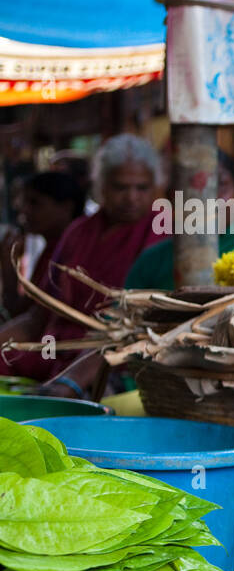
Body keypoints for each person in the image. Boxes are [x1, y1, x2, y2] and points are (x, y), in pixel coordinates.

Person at [0, 134, 165, 391]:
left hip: (111, 362)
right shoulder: (79, 231)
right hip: (53, 351)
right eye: (120, 187)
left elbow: (134, 328)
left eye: (141, 188)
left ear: (155, 188)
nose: (131, 197)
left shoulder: (162, 233)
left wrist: (68, 382)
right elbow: (39, 314)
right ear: (101, 187)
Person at [125, 149, 234, 290]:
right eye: (190, 189)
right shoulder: (151, 261)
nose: (207, 199)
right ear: (171, 197)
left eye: (221, 185)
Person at [0, 171, 85, 319]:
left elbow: (25, 315)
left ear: (66, 207)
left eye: (35, 203)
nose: (25, 211)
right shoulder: (51, 248)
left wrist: (9, 266)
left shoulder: (73, 251)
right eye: (25, 203)